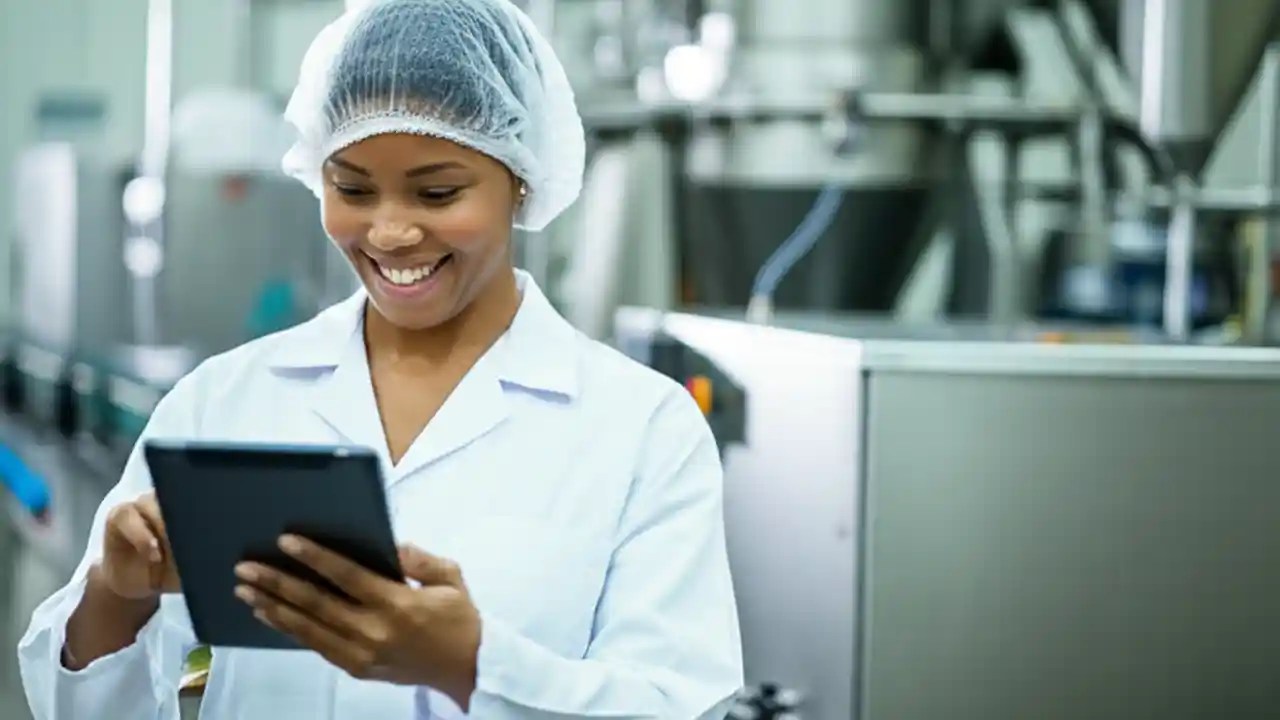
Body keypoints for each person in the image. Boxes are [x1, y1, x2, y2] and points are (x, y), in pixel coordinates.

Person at [16, 1, 744, 717]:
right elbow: (77, 707)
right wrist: (117, 596)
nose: (390, 232)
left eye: (438, 192)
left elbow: (679, 704)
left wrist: (474, 666)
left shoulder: (641, 429)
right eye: (353, 189)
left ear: (521, 175)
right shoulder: (225, 400)